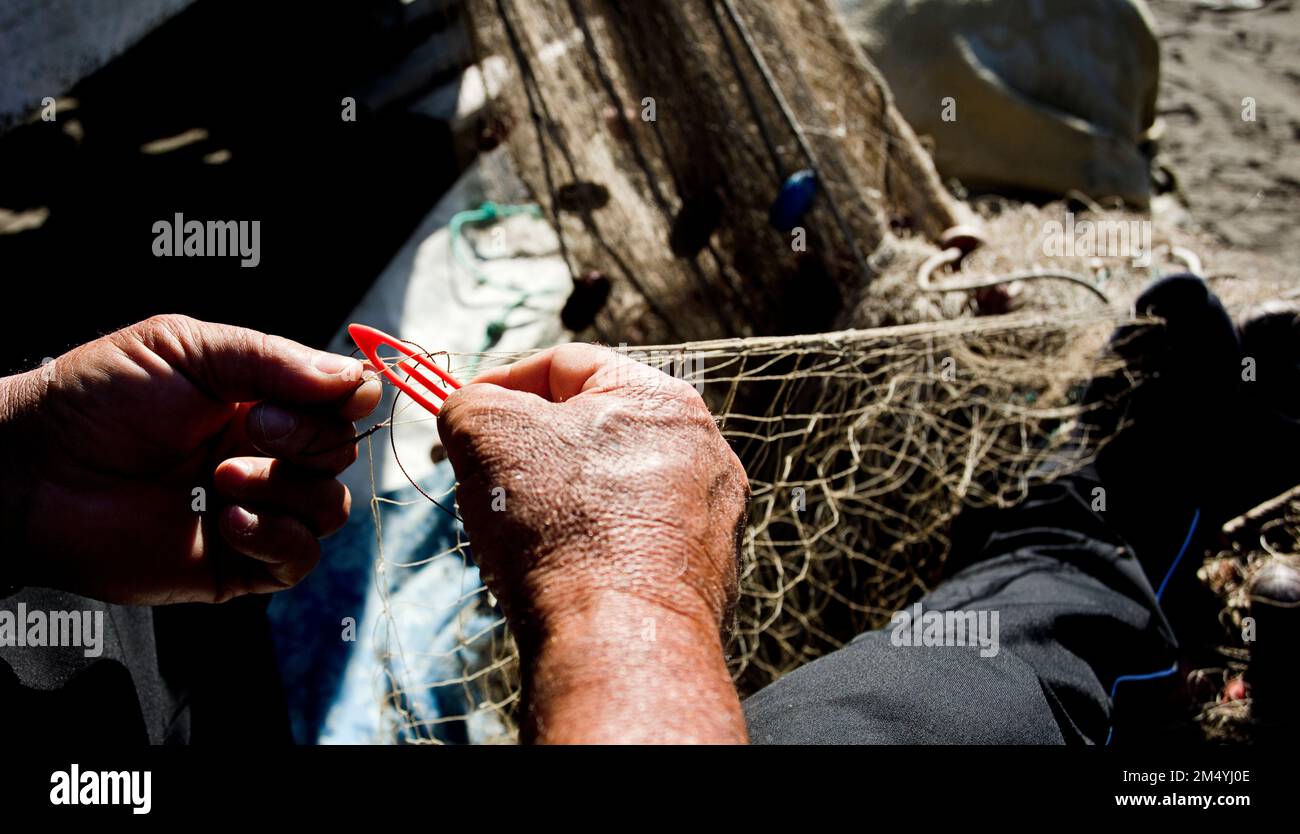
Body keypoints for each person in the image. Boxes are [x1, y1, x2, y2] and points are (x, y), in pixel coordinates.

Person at [1, 277, 1295, 743]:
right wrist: (633, 603)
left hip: (94, 627)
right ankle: (1099, 551)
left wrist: (20, 469)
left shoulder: (59, 482)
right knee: (900, 718)